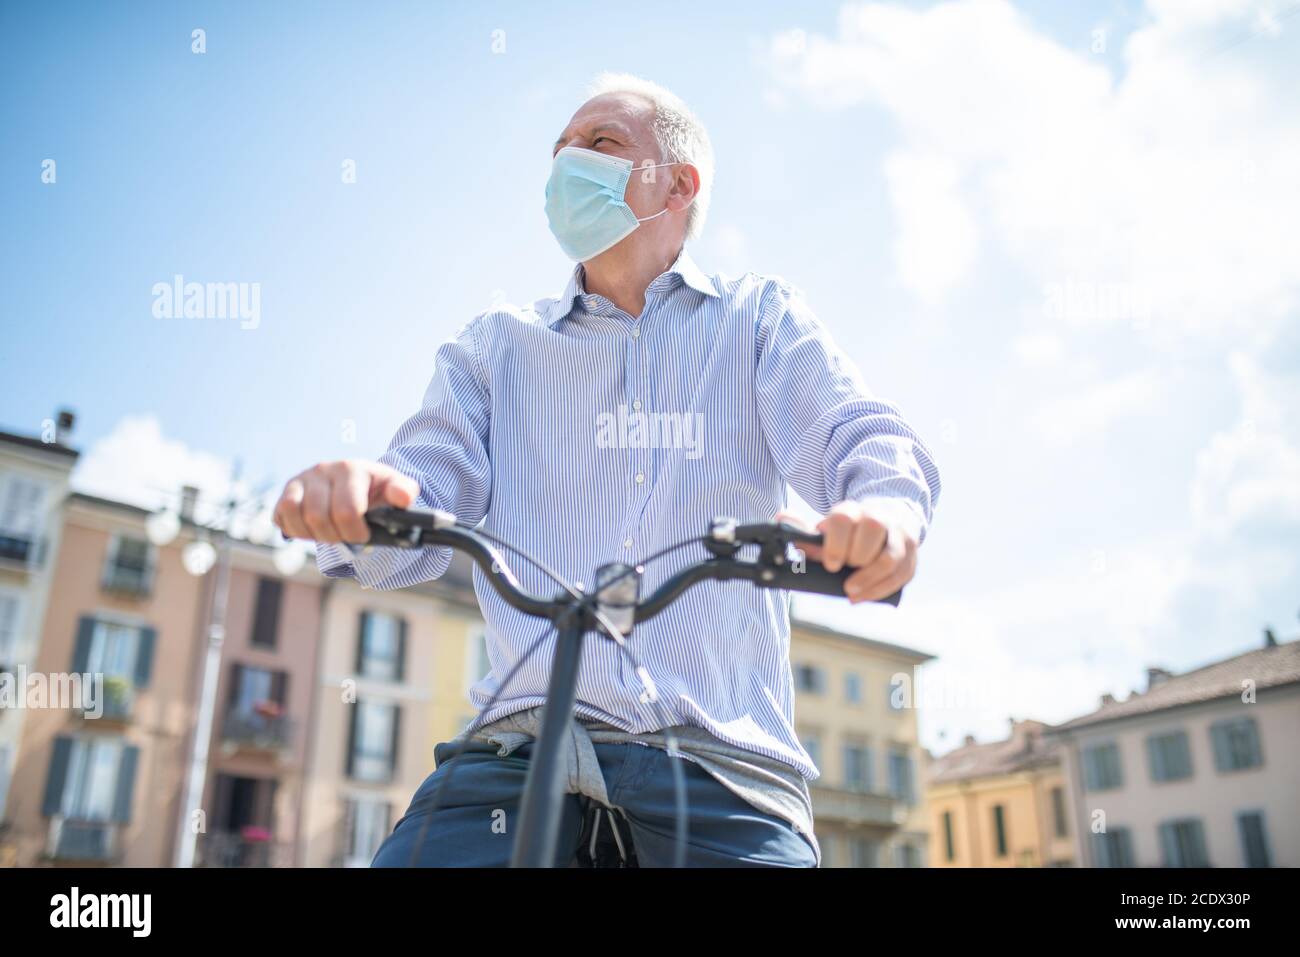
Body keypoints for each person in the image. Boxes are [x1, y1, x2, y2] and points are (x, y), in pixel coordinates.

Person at [273, 73, 941, 867]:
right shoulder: (494, 347)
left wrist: (885, 509)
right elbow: (418, 496)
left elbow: (857, 432)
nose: (567, 167)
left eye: (600, 144)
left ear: (680, 185)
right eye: (558, 152)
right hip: (513, 763)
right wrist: (368, 500)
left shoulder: (758, 319)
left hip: (722, 771)